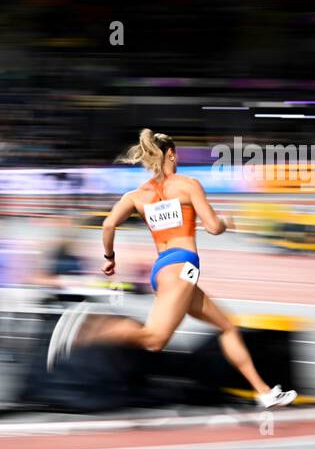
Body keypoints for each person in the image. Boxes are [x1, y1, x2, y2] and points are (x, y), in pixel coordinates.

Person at [50, 129, 297, 409]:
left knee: (227, 326)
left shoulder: (136, 195)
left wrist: (110, 257)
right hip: (182, 266)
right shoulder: (187, 184)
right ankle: (86, 330)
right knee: (154, 340)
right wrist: (227, 221)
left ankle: (263, 392)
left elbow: (108, 225)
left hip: (167, 270)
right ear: (171, 154)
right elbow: (213, 227)